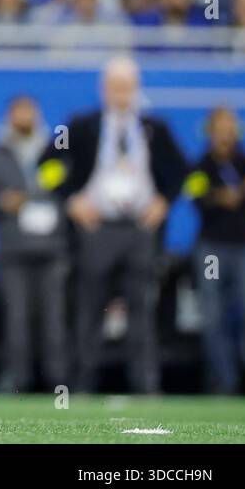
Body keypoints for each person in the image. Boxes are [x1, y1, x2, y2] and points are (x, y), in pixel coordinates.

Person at [40, 56, 187, 394]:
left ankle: (145, 384)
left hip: (139, 229)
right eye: (116, 87)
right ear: (104, 89)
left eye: (127, 87)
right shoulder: (82, 126)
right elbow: (46, 166)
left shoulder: (154, 128)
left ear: (136, 88)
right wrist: (72, 200)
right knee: (90, 306)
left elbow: (183, 173)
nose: (122, 94)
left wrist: (163, 202)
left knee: (143, 308)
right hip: (97, 229)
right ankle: (81, 383)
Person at [0, 95, 68, 392]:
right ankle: (18, 379)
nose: (25, 117)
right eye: (20, 111)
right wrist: (2, 201)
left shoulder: (55, 150)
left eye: (30, 111)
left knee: (54, 316)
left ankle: (58, 379)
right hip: (13, 248)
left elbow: (71, 187)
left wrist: (53, 203)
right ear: (10, 116)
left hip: (52, 246)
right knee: (16, 317)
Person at [184, 106, 245, 394]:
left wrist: (233, 195)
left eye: (229, 126)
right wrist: (242, 191)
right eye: (219, 127)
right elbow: (201, 199)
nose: (224, 133)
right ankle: (224, 383)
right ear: (210, 131)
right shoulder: (200, 165)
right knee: (214, 314)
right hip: (212, 251)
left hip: (244, 247)